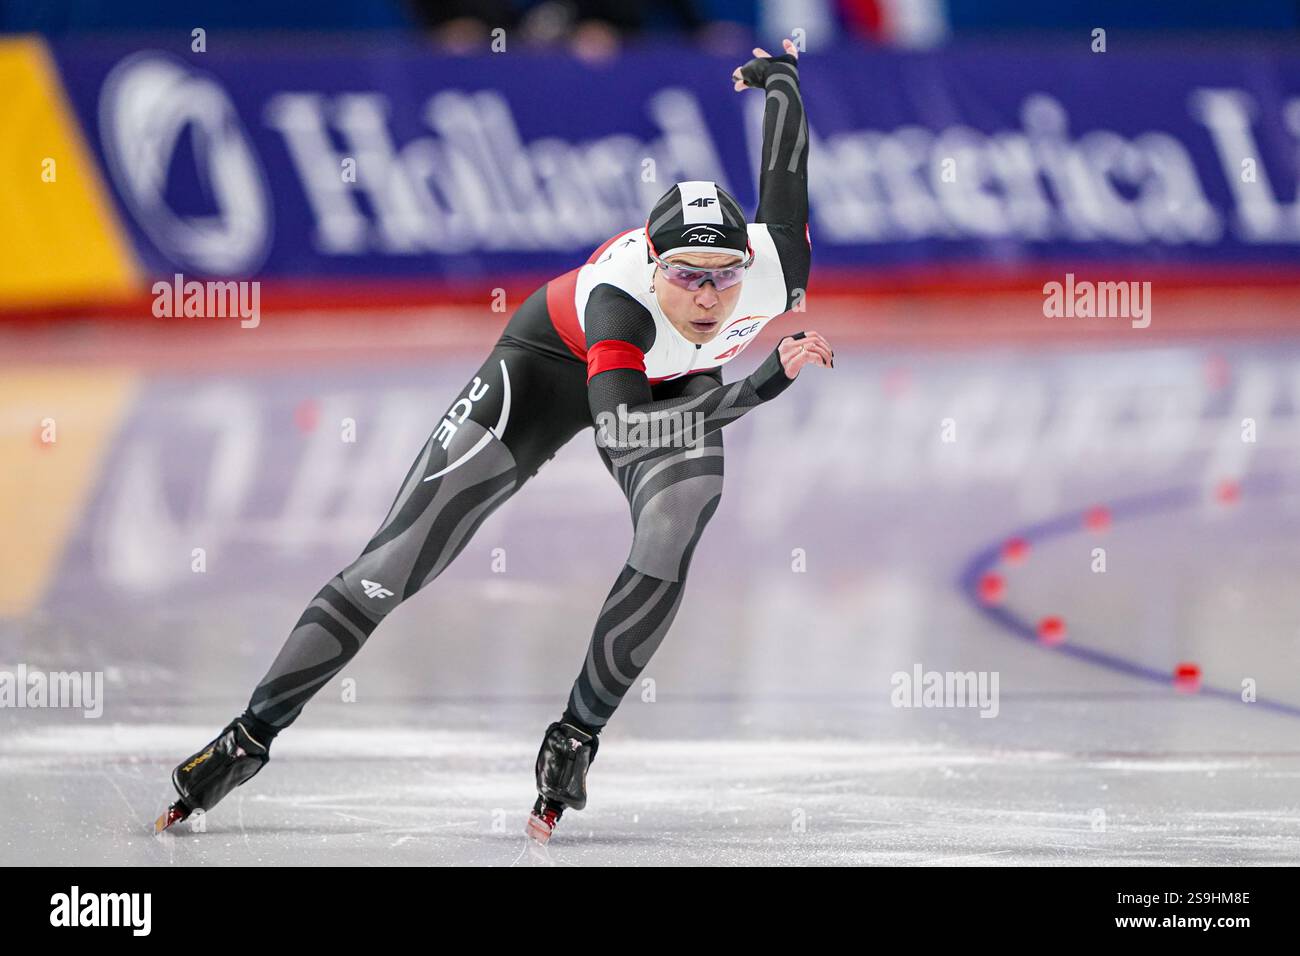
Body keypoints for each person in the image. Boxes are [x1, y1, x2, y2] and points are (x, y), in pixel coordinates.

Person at [155, 37, 831, 843]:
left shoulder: (777, 264)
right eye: (687, 273)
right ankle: (247, 738)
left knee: (678, 514)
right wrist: (757, 389)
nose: (709, 295)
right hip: (550, 366)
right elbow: (622, 424)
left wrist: (779, 77)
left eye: (723, 273)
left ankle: (575, 738)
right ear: (651, 266)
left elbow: (784, 174)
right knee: (395, 563)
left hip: (678, 383)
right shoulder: (619, 305)